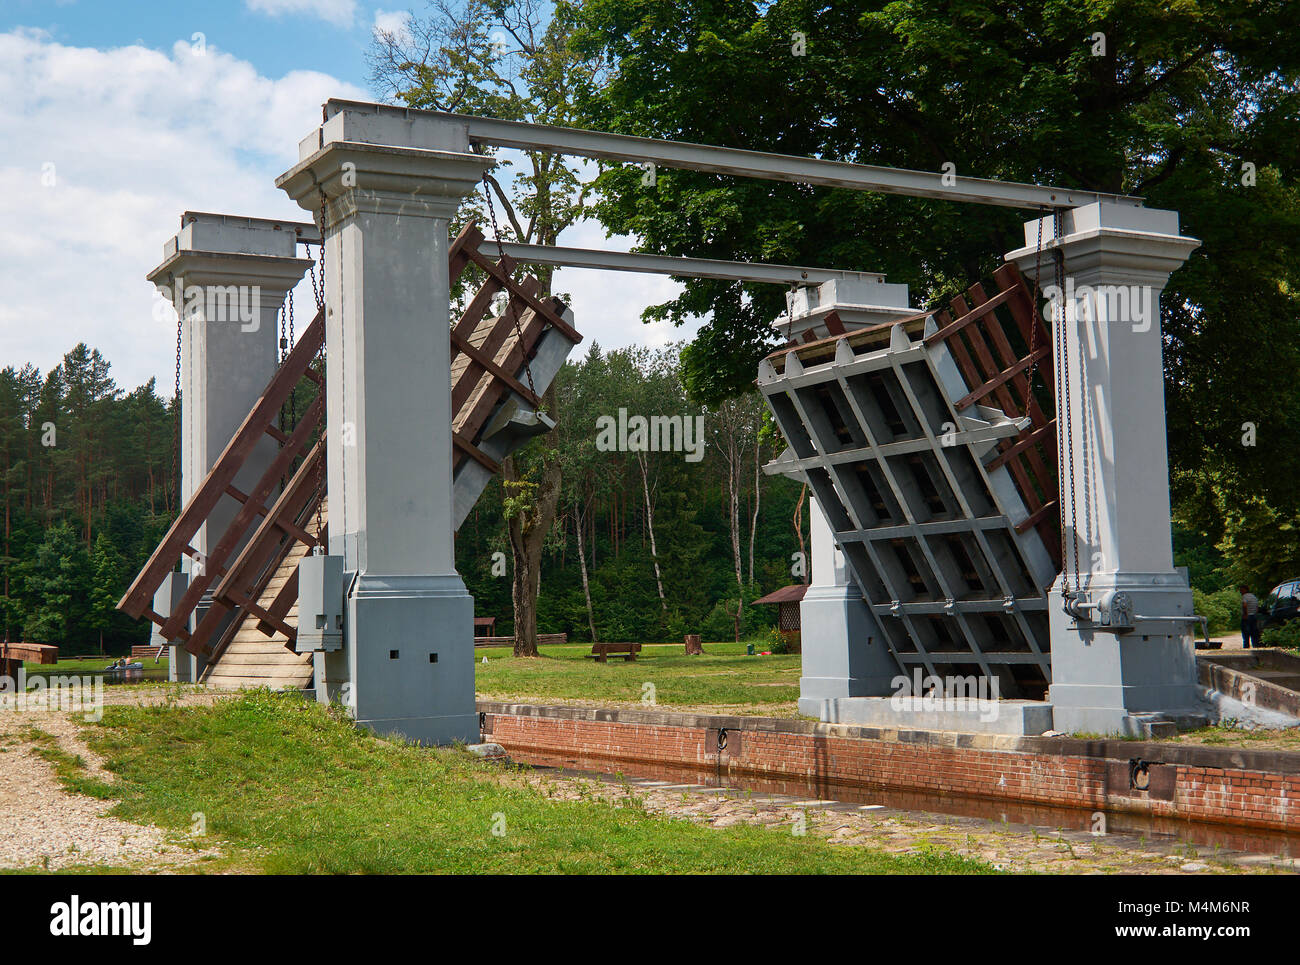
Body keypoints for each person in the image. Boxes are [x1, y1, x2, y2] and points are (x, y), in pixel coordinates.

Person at [1240, 585, 1261, 649]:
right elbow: (1257, 607)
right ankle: (1256, 645)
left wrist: (1245, 614)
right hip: (1254, 616)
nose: (1240, 592)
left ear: (1245, 590)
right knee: (1254, 632)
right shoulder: (1254, 596)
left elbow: (1244, 605)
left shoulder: (1245, 596)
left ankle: (1246, 646)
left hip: (1247, 616)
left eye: (1241, 590)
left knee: (1246, 633)